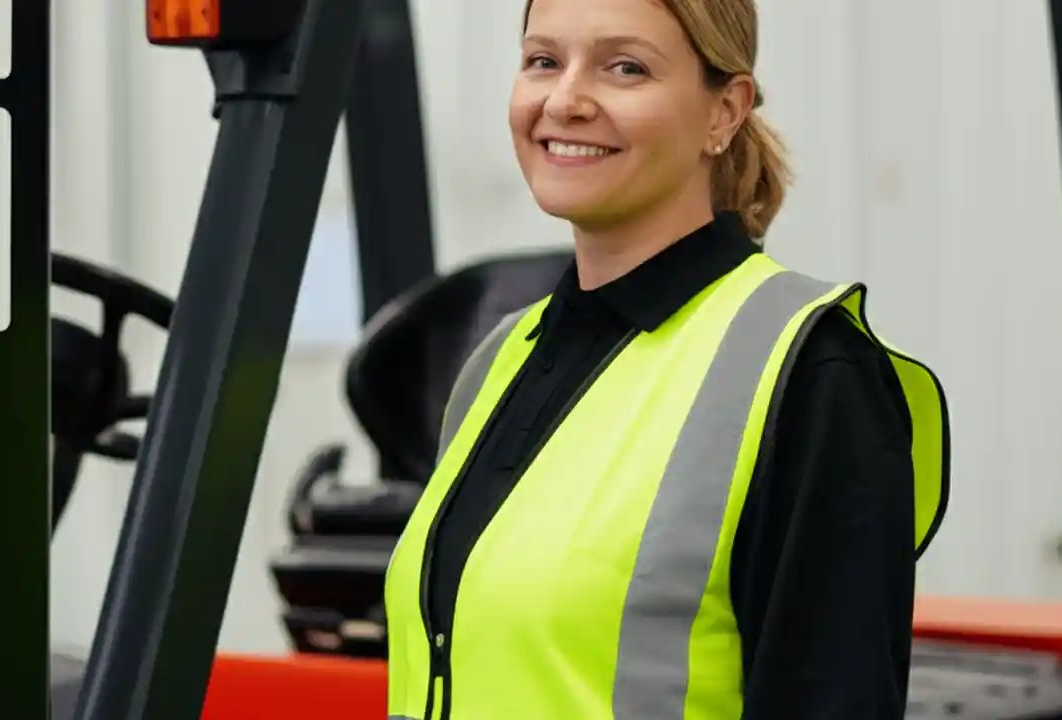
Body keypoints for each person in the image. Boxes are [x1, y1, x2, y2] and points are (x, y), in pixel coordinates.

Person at [384, 0, 950, 717]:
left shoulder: (811, 371)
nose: (565, 100)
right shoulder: (498, 362)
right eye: (542, 61)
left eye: (626, 67)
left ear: (725, 112)